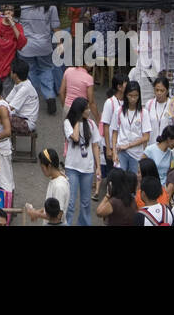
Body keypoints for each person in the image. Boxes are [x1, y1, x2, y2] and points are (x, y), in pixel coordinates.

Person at [63, 96, 101, 227]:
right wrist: (78, 121)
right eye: (86, 109)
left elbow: (95, 145)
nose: (89, 111)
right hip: (72, 167)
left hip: (87, 168)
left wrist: (98, 166)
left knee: (85, 203)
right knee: (71, 202)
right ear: (79, 111)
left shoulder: (91, 124)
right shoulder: (68, 122)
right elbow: (74, 137)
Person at [110, 82, 150, 174]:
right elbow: (115, 132)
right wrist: (114, 152)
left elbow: (146, 137)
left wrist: (128, 145)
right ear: (126, 95)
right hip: (121, 151)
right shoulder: (119, 111)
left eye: (135, 96)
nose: (133, 99)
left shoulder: (143, 113)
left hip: (136, 153)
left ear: (139, 96)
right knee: (120, 179)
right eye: (130, 95)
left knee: (134, 180)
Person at [24, 148, 70, 224]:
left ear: (49, 166)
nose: (42, 171)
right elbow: (52, 209)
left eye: (42, 168)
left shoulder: (59, 186)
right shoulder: (56, 179)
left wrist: (36, 214)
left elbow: (58, 216)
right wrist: (37, 212)